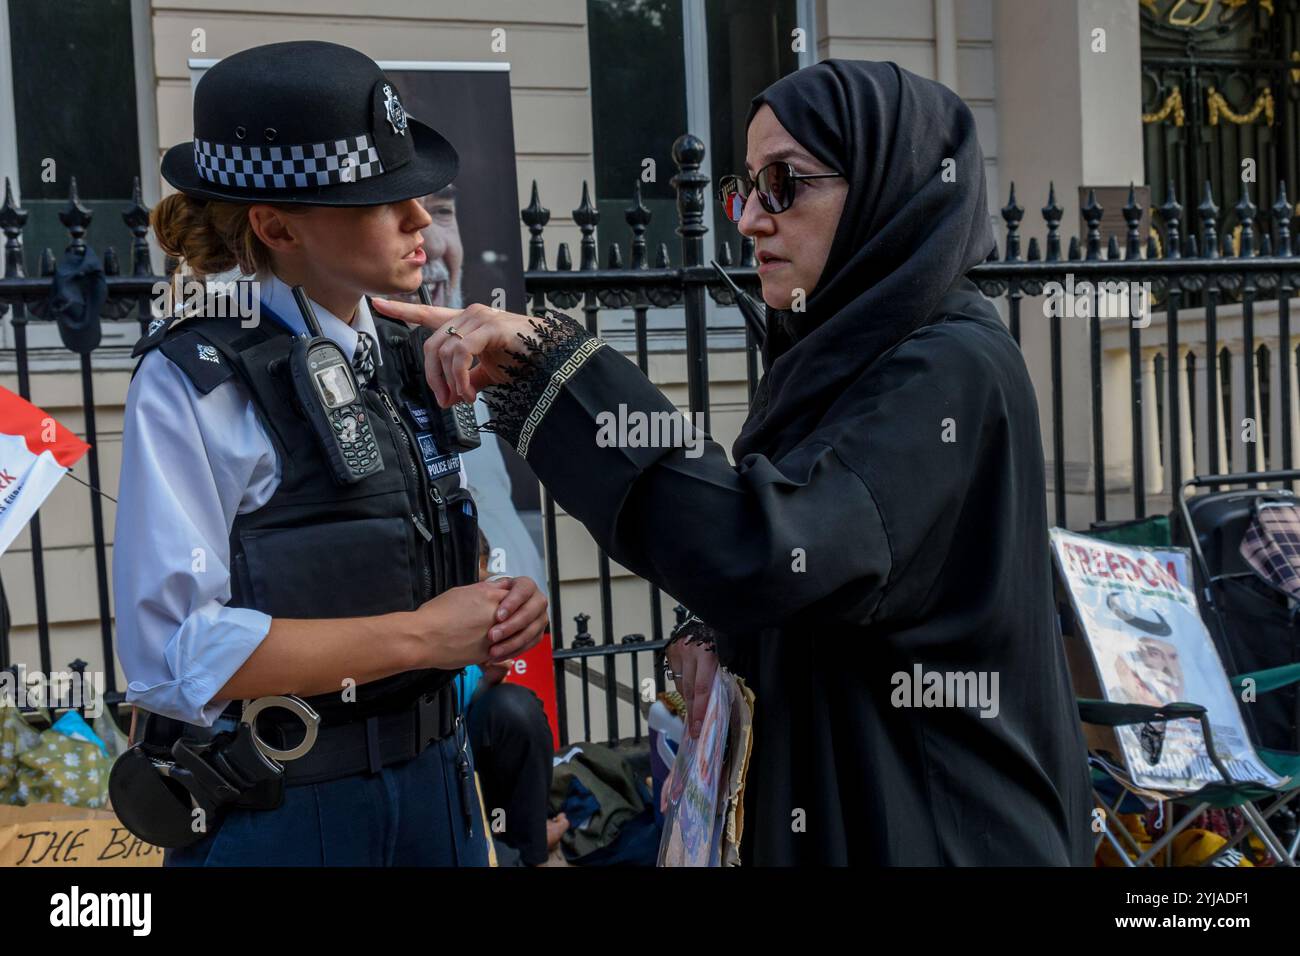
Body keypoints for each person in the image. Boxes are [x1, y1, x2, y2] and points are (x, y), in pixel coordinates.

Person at [372, 59, 1094, 866]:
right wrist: (716, 632)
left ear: (892, 188)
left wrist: (558, 369)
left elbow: (765, 548)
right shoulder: (841, 358)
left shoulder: (950, 366)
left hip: (939, 824)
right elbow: (815, 562)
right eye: (744, 186)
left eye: (785, 183)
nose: (749, 218)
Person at [112, 40, 548, 866]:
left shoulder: (413, 350)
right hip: (283, 810)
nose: (420, 219)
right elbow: (174, 656)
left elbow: (405, 541)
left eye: (414, 193)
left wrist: (499, 600)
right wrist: (422, 636)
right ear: (276, 226)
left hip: (436, 789)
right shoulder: (196, 380)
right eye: (381, 201)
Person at [455, 531, 569, 866]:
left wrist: (488, 678)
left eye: (484, 583)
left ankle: (527, 845)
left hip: (466, 754)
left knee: (514, 709)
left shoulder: (477, 634)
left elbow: (467, 707)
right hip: (425, 759)